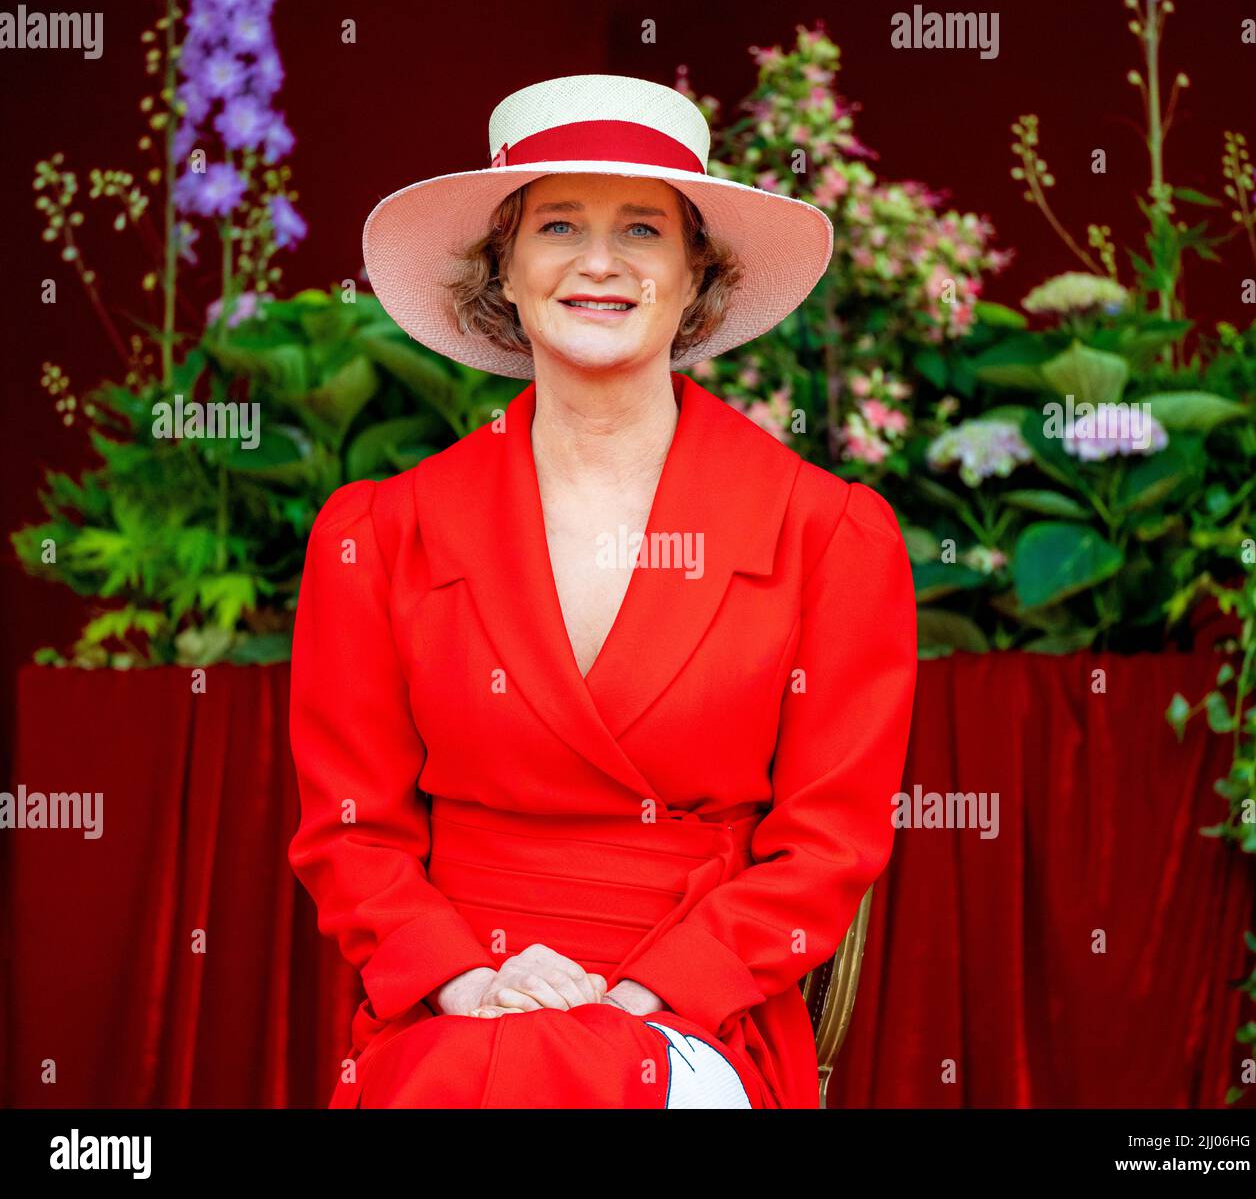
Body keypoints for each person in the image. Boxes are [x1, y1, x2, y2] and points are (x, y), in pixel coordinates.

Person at [288, 72, 918, 1109]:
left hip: (694, 1016)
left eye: (640, 229)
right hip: (454, 1016)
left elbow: (828, 847)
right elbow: (350, 835)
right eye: (557, 226)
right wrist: (469, 979)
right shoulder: (378, 533)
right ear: (503, 265)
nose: (597, 263)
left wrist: (637, 1001)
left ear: (694, 271)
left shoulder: (826, 534)